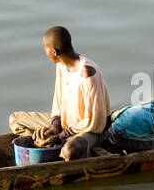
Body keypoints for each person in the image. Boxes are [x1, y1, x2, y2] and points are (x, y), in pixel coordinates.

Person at [9, 26, 111, 161]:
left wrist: (59, 137)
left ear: (53, 51)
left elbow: (92, 123)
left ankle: (75, 148)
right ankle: (43, 144)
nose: (46, 54)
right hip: (66, 124)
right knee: (15, 120)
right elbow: (58, 103)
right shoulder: (61, 66)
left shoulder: (88, 74)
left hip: (91, 131)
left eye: (46, 50)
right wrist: (54, 126)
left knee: (70, 151)